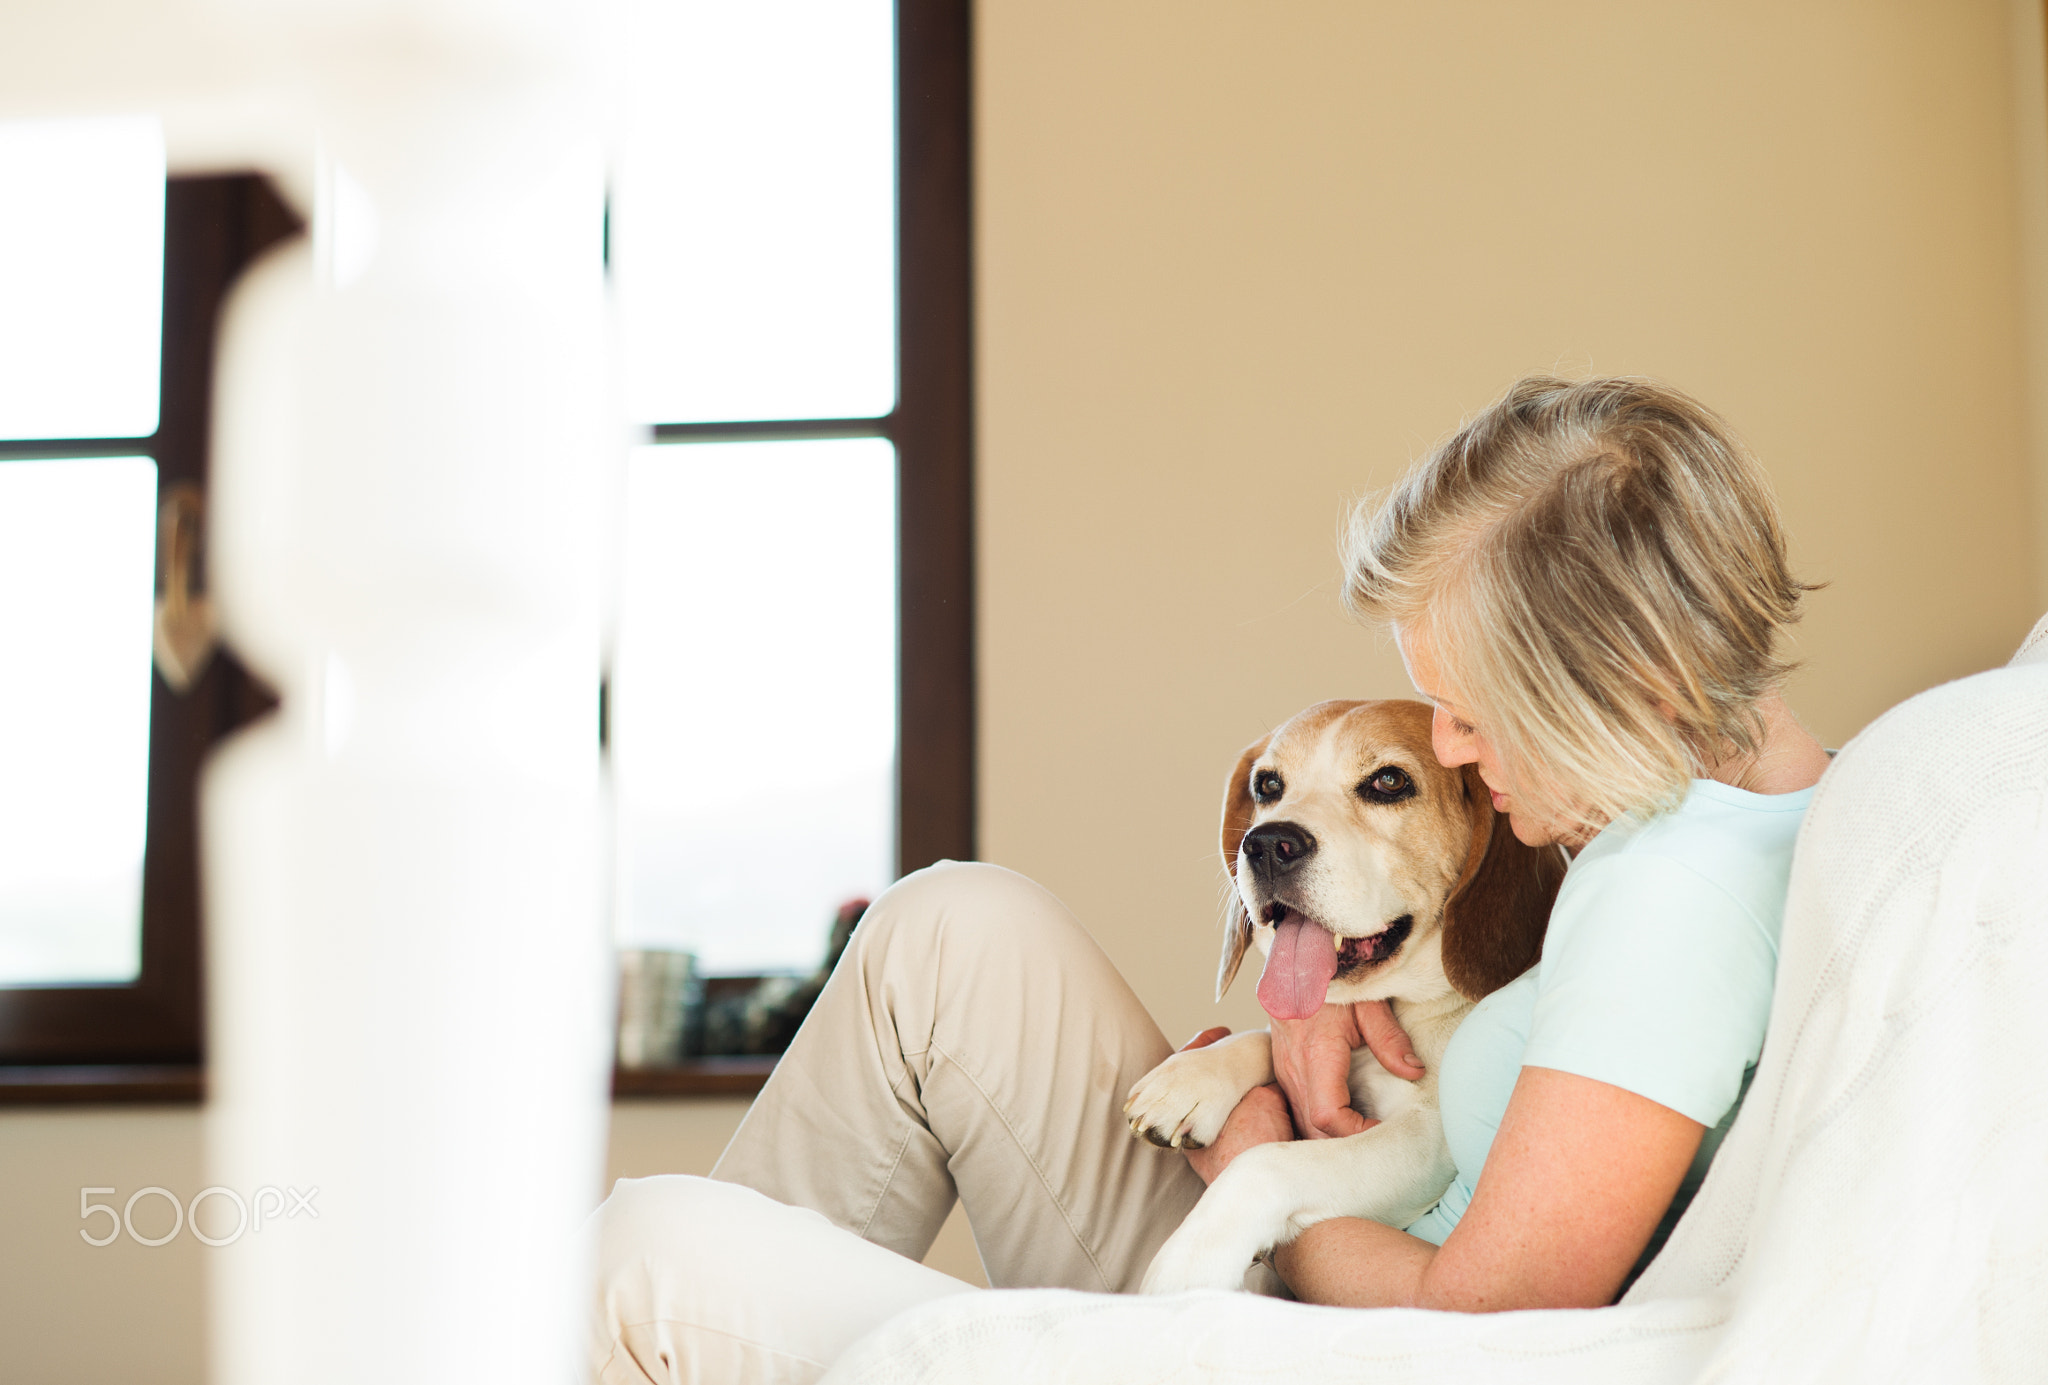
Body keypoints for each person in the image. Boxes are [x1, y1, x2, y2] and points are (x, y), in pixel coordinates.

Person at [584, 376, 1832, 1383]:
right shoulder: (1715, 816)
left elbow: (1472, 1324)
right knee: (950, 924)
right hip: (1304, 1248)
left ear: (1609, 670)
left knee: (641, 1252)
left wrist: (1250, 1164)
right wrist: (1309, 1019)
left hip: (1308, 1321)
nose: (1451, 745)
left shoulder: (1676, 899)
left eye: (1471, 709)